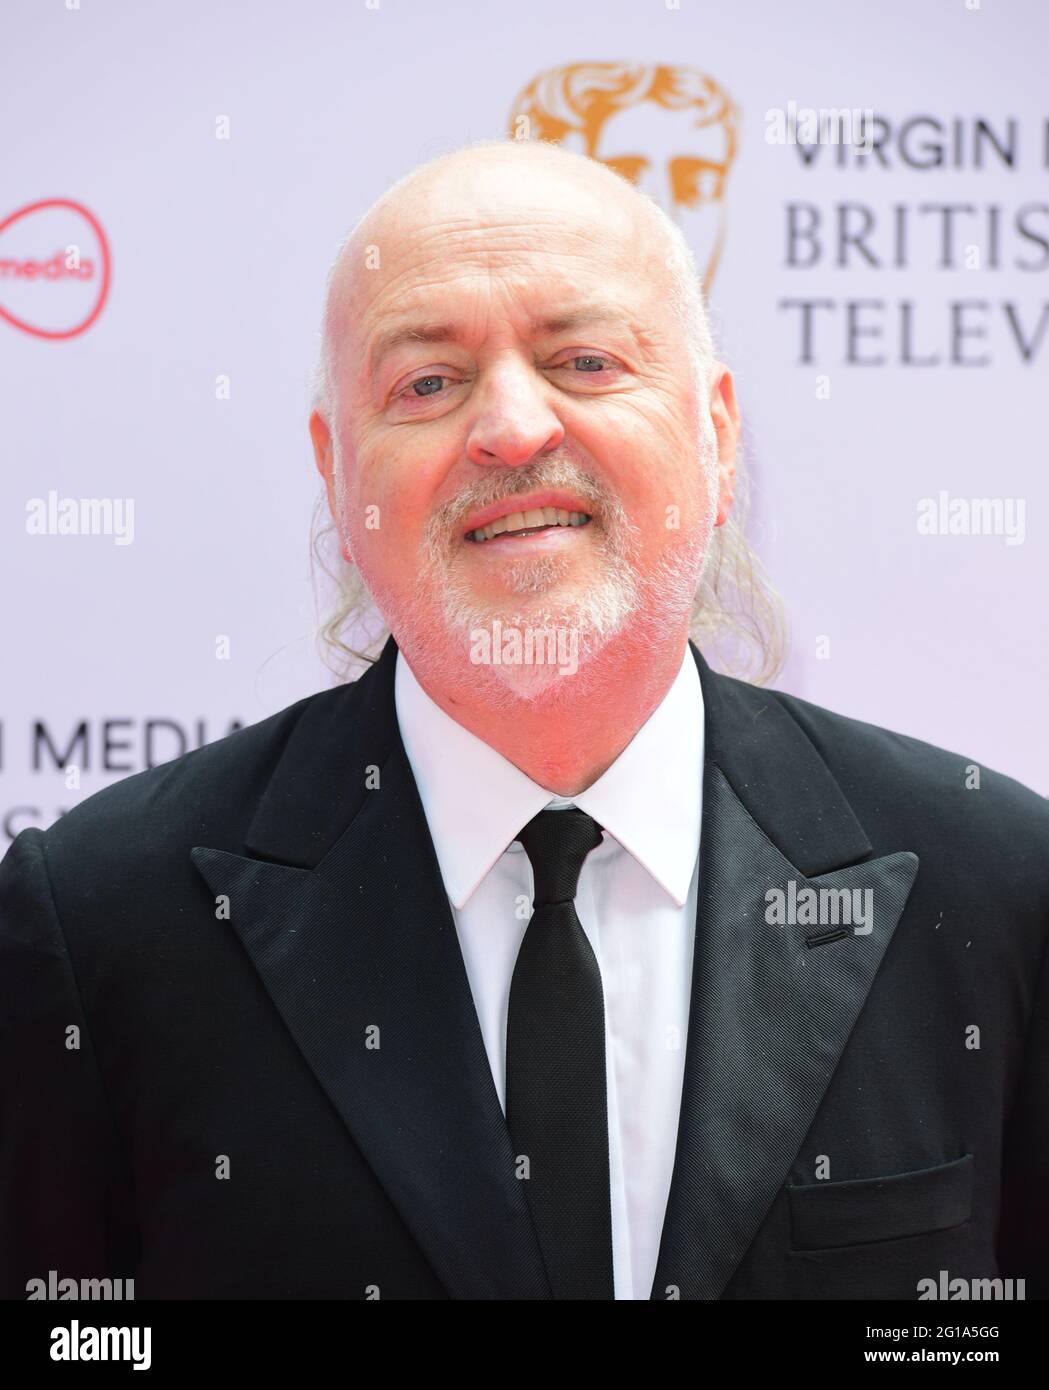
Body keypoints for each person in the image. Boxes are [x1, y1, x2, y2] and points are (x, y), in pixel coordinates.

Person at [1, 138, 1046, 1301]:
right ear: (336, 470)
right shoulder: (98, 921)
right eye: (426, 383)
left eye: (585, 359)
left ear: (716, 432)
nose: (509, 426)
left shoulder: (996, 886)